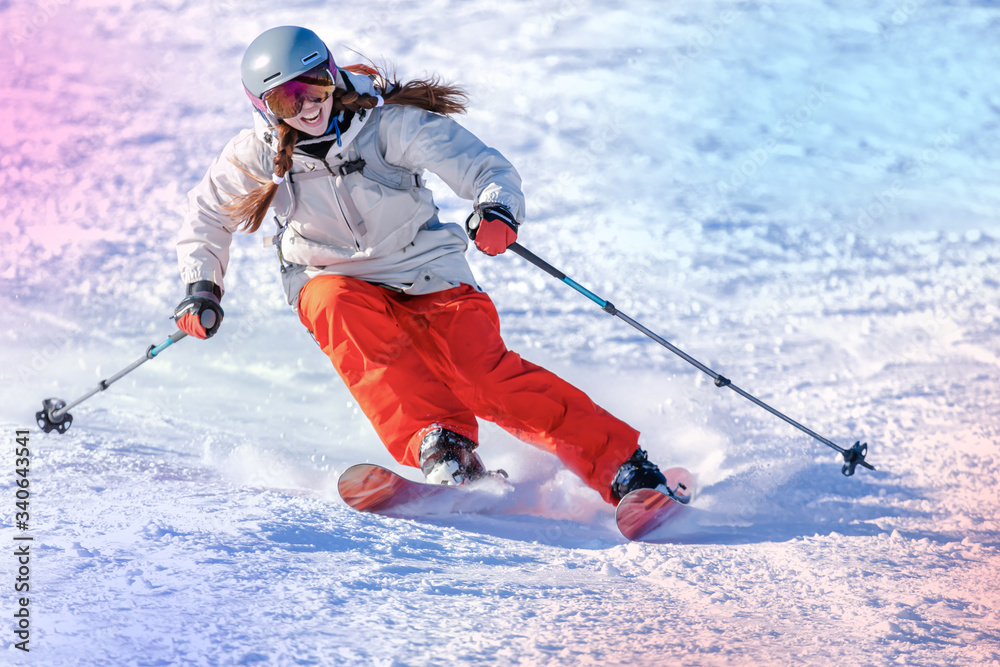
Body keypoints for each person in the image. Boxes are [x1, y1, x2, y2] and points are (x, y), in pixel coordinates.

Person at [173, 25, 669, 505]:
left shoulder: (387, 125)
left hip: (426, 268)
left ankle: (624, 465)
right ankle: (443, 446)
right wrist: (202, 285)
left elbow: (484, 166)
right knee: (333, 304)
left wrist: (495, 209)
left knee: (484, 378)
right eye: (288, 99)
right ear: (264, 107)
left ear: (332, 74)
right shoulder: (255, 155)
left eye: (317, 86)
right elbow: (206, 216)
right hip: (333, 275)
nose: (309, 107)